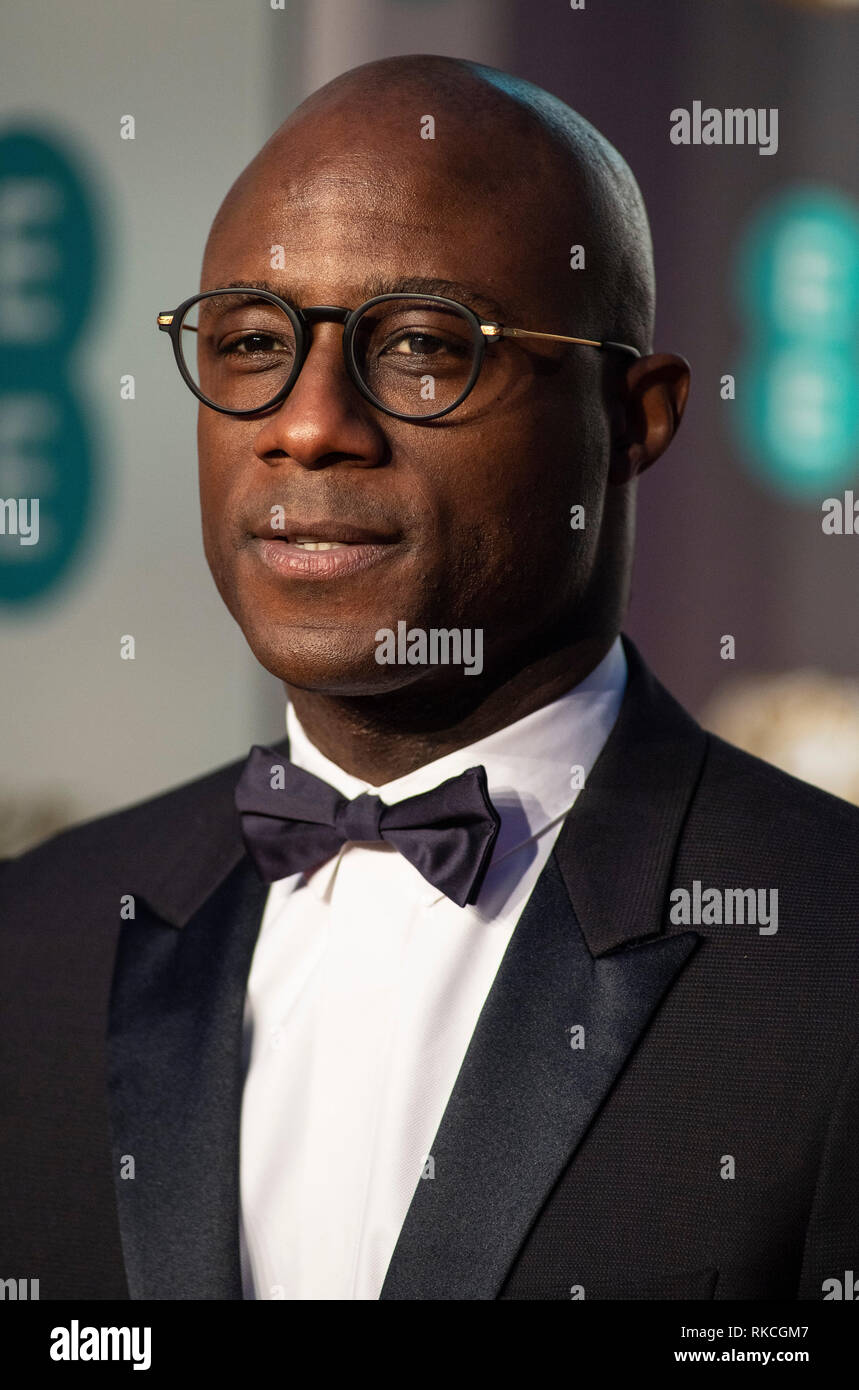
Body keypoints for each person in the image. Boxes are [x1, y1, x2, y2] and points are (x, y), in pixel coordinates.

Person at [1, 54, 857, 1303]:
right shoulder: (38, 940)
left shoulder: (826, 954)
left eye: (419, 346)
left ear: (635, 417)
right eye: (249, 341)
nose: (307, 424)